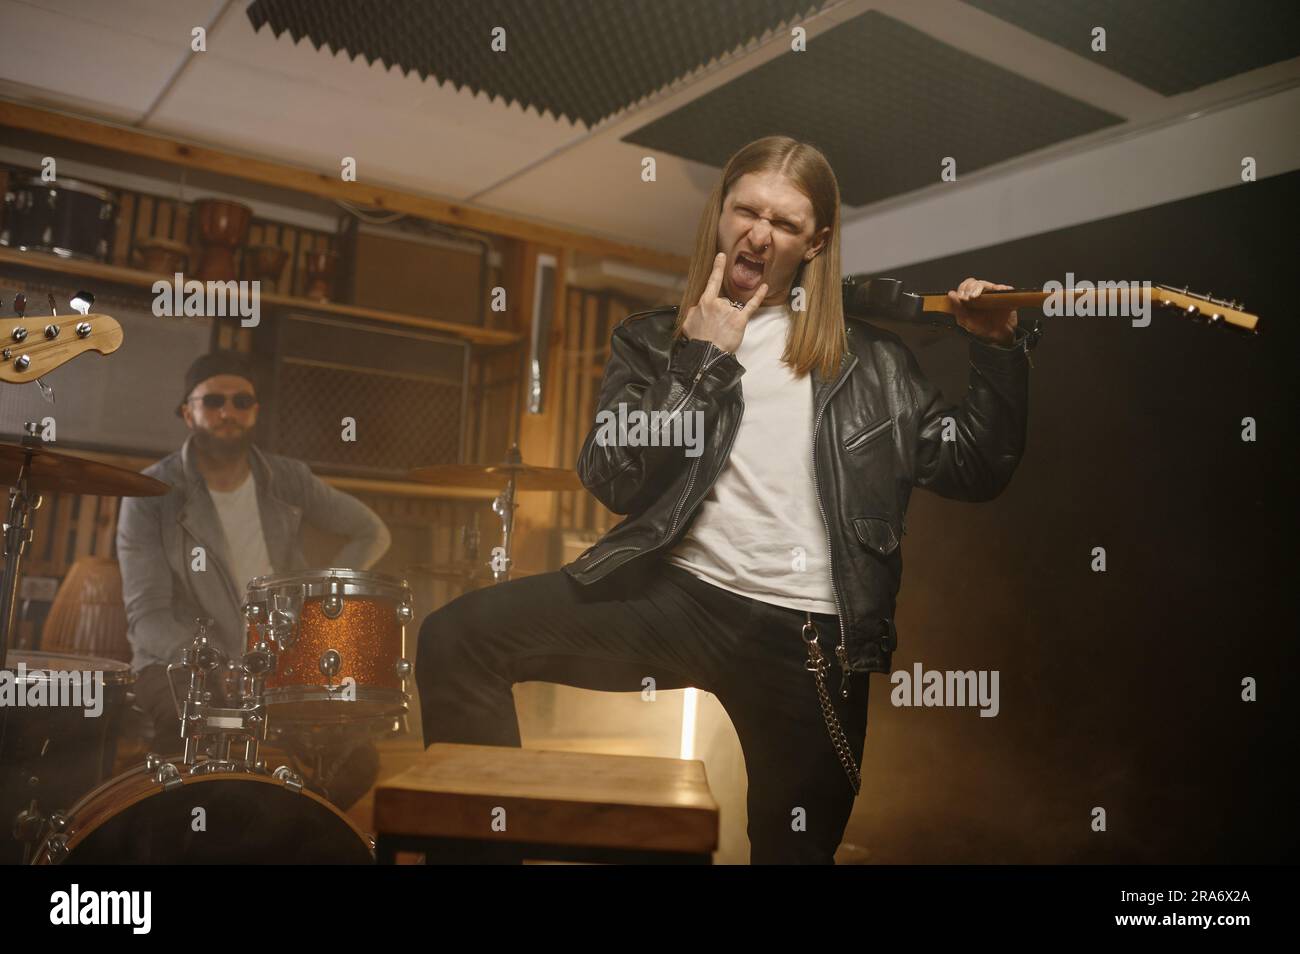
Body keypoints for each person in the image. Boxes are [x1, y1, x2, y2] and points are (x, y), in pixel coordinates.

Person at [415, 135, 1040, 863]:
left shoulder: (876, 364)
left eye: (784, 223)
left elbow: (974, 466)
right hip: (679, 600)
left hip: (810, 636)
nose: (758, 232)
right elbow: (610, 473)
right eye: (746, 210)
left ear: (815, 242)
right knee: (457, 638)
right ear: (721, 214)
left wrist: (998, 349)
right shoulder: (654, 342)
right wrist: (701, 360)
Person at [117, 351, 392, 810]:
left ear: (255, 411)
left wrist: (318, 598)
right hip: (179, 664)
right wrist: (215, 662)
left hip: (274, 663)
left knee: (355, 760)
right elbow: (148, 618)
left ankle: (285, 837)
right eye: (214, 401)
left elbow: (372, 531)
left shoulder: (287, 479)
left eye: (241, 401)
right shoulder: (152, 494)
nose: (228, 412)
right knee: (197, 744)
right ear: (188, 412)